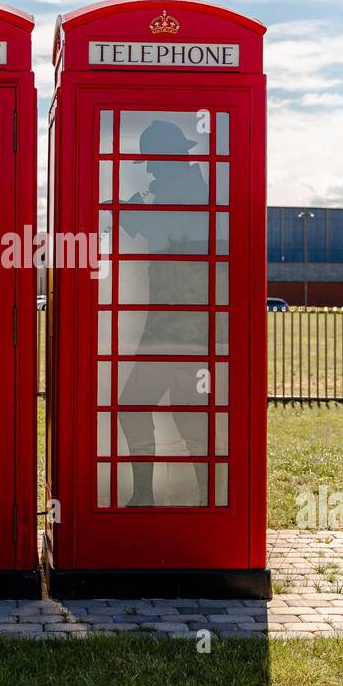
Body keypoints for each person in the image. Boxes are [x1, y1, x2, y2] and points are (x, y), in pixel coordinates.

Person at [114, 120, 212, 506]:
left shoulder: (185, 197)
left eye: (154, 160)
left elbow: (162, 234)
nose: (151, 169)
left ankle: (148, 494)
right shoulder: (192, 192)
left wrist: (132, 209)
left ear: (172, 157)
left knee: (147, 408)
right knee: (181, 415)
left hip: (182, 326)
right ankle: (203, 498)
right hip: (184, 324)